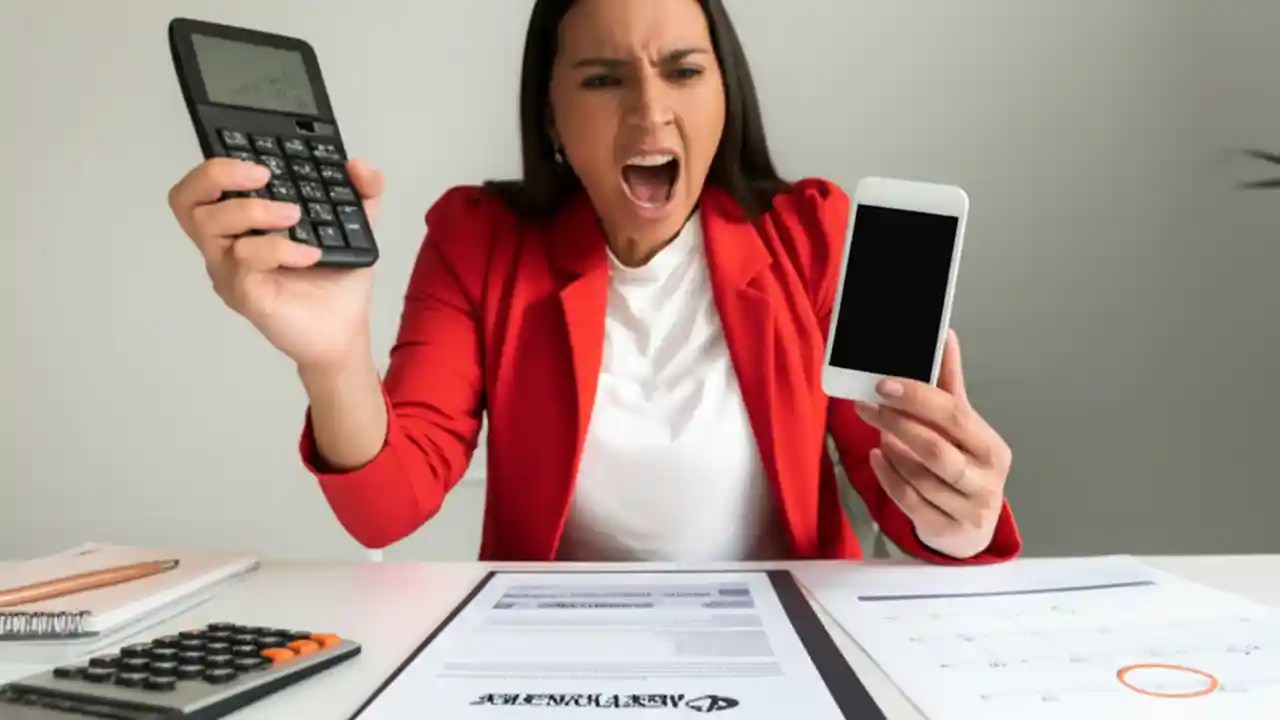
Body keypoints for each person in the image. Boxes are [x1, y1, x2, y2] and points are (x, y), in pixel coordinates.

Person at [167, 0, 1020, 564]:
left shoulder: (815, 235)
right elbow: (387, 508)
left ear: (725, 94)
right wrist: (332, 357)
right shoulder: (478, 240)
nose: (650, 112)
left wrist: (961, 515)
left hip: (783, 654)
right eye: (603, 79)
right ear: (551, 112)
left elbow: (905, 496)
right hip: (558, 658)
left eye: (684, 70)